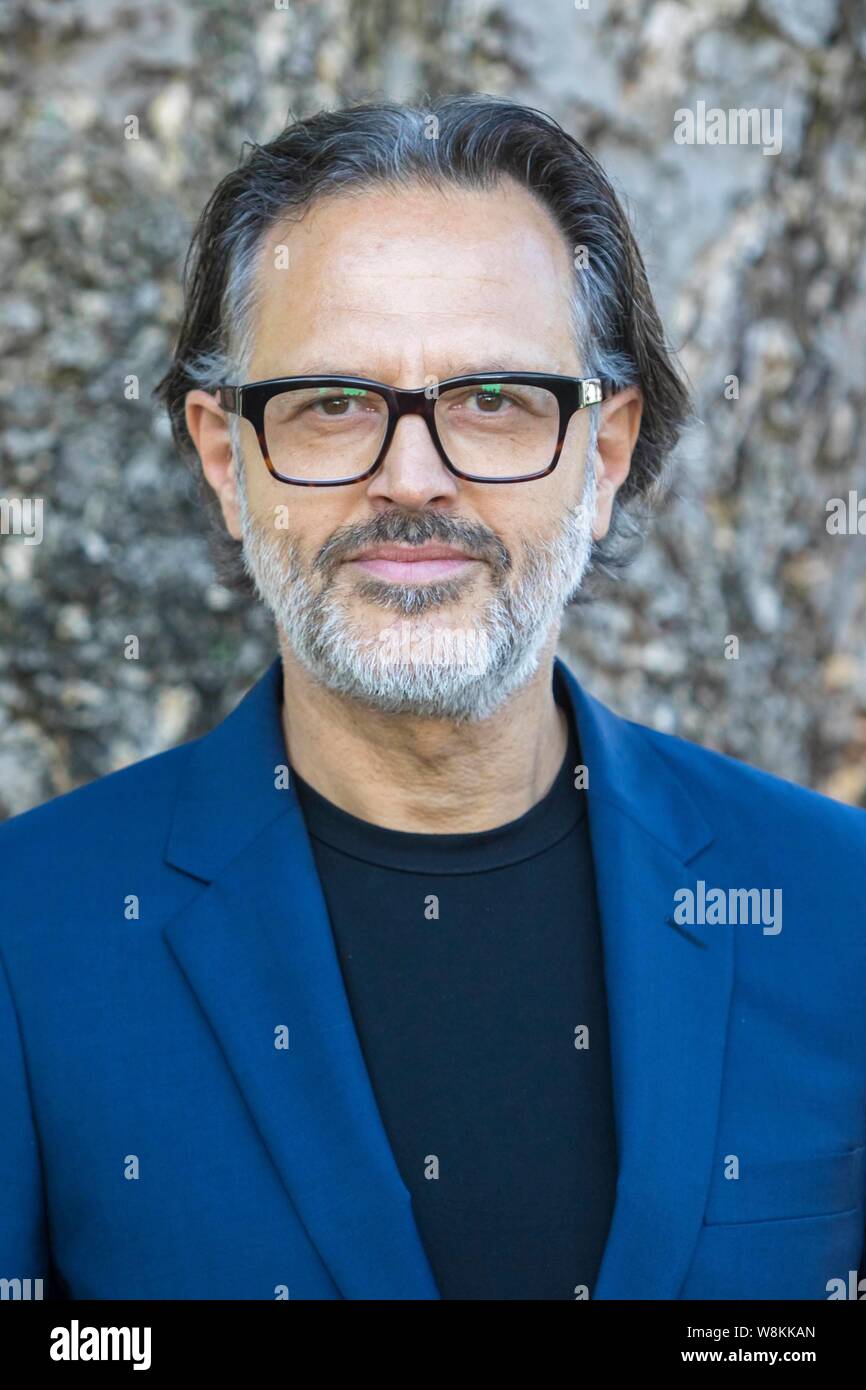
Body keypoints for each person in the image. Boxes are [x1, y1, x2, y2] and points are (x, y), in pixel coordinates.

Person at [1, 95, 864, 1302]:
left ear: (603, 452)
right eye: (334, 404)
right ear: (225, 458)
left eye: (492, 400)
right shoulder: (28, 933)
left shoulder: (836, 902)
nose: (412, 479)